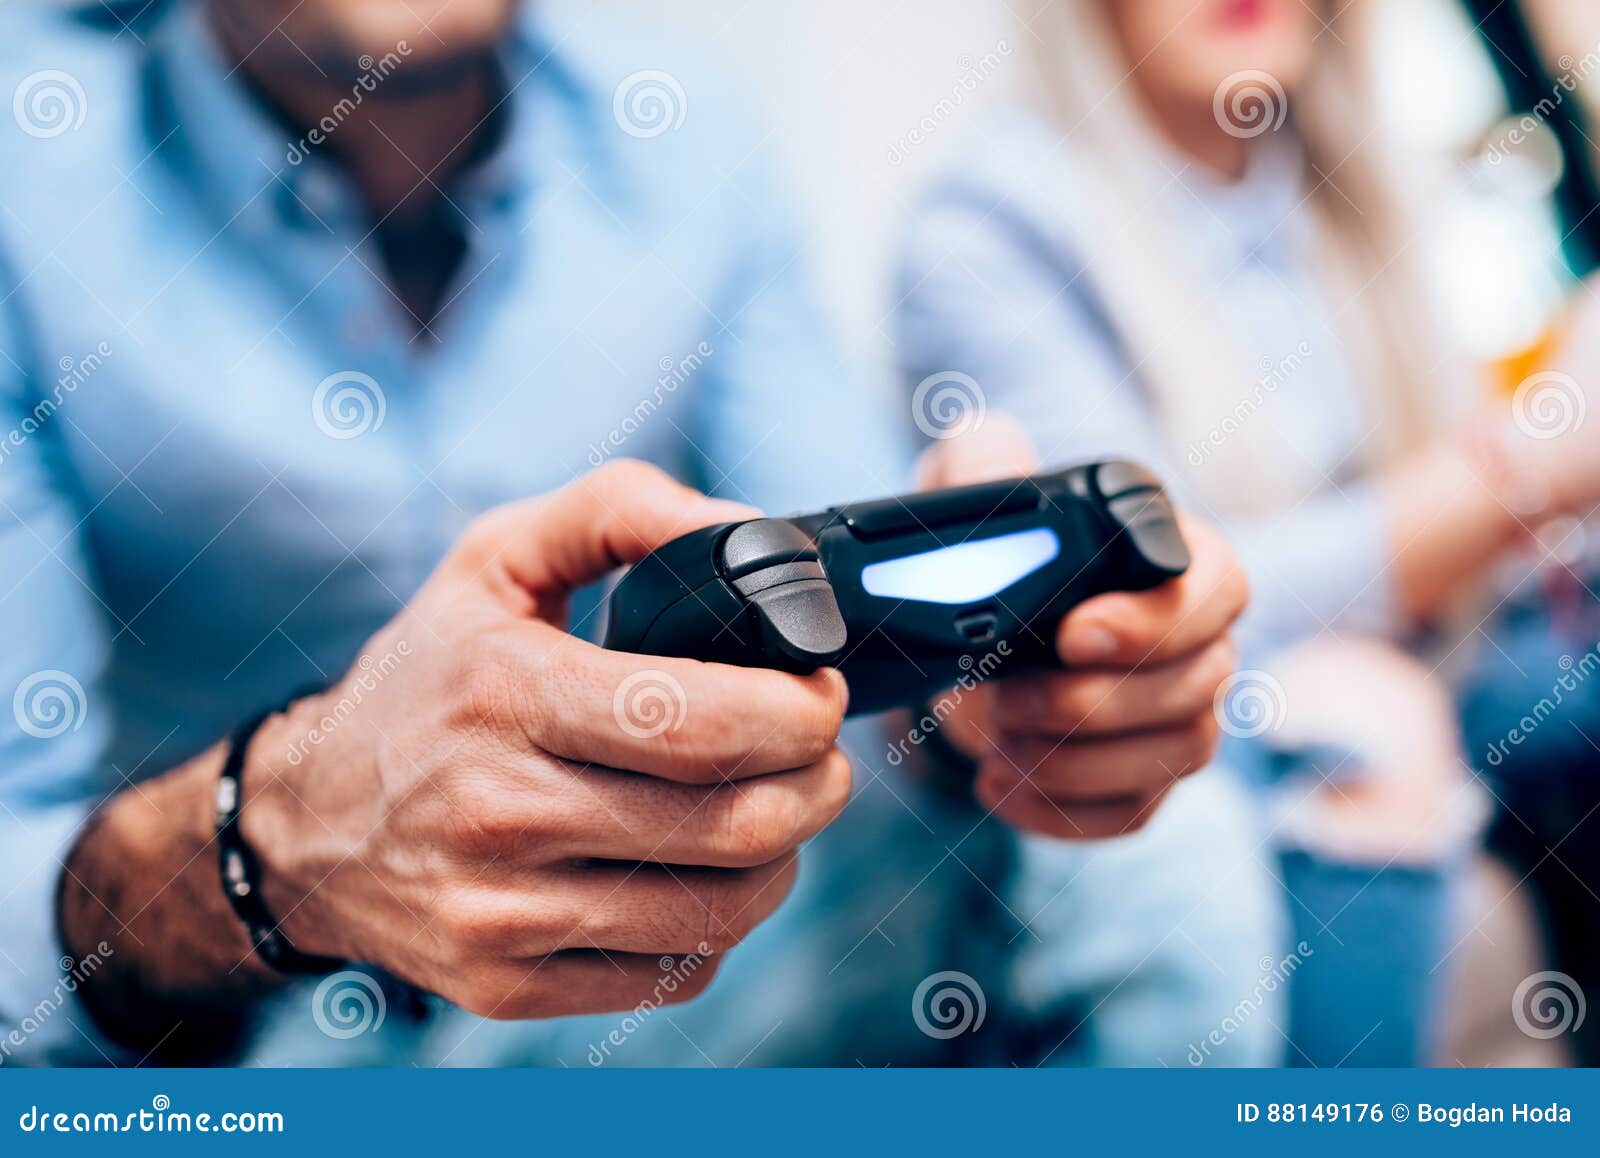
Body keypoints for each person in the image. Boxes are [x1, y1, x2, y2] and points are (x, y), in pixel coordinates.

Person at [0, 0, 1268, 1066]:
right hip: (240, 1017)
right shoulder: (32, 178)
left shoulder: (686, 134)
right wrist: (274, 839)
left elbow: (848, 645)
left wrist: (973, 701)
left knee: (1160, 859)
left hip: (665, 952)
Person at [896, 0, 1600, 1065]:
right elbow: (1128, 615)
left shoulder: (1349, 177)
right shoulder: (990, 231)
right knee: (1363, 750)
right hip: (1217, 750)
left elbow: (1462, 582)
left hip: (1434, 671)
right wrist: (1513, 476)